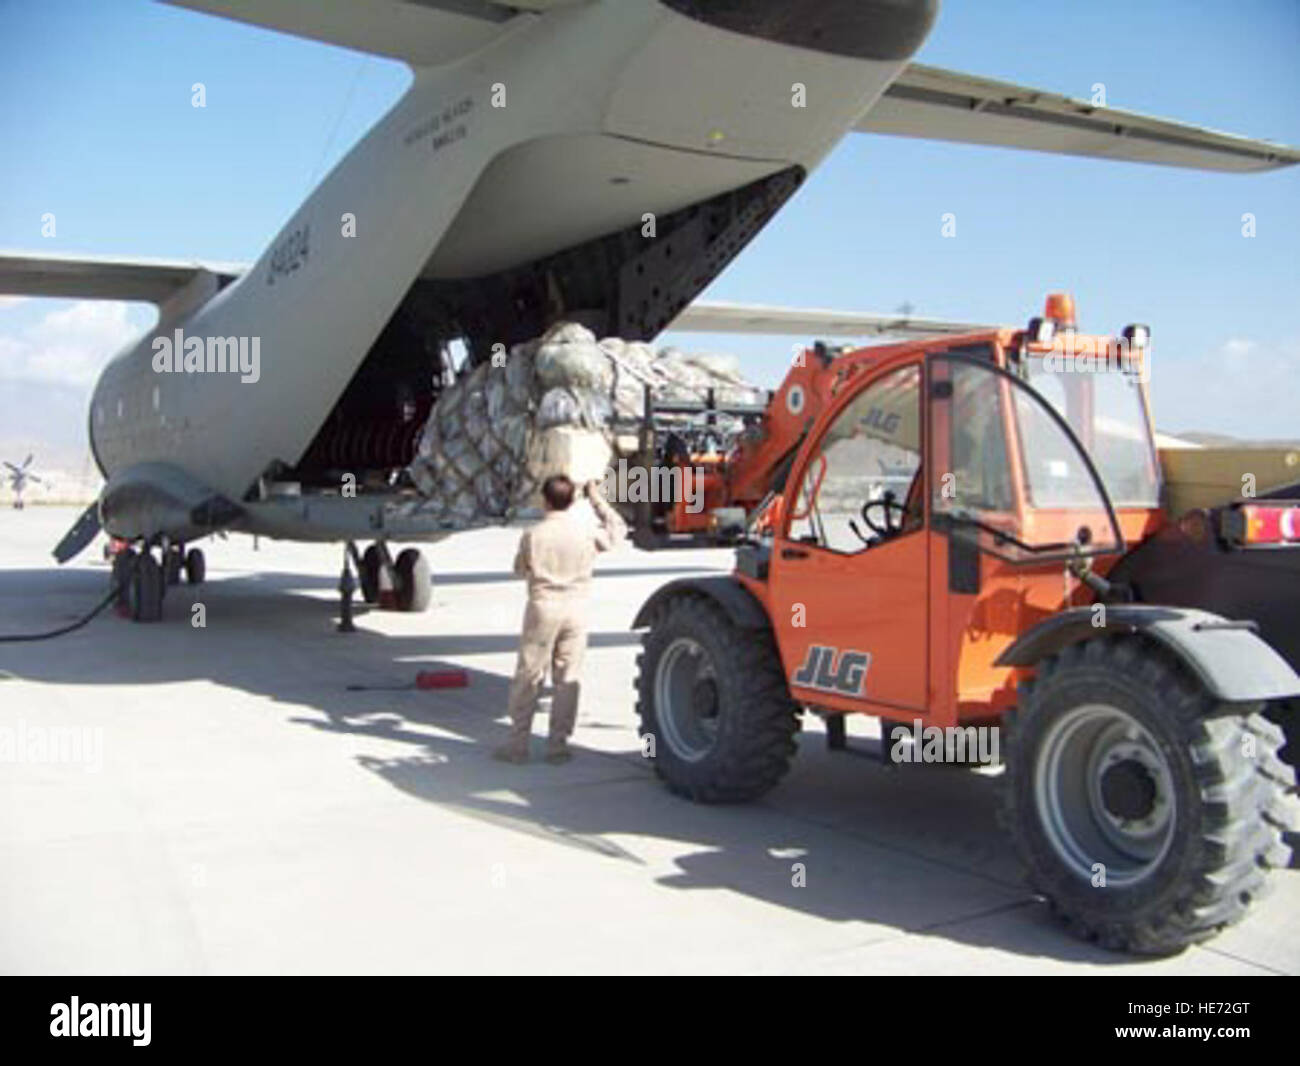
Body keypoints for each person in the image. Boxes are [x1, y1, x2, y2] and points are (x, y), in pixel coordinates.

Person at [495, 473, 626, 764]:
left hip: (544, 606)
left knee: (529, 675)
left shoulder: (534, 534)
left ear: (544, 500)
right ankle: (557, 745)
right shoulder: (586, 531)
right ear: (572, 500)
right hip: (577, 607)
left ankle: (517, 745)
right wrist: (597, 499)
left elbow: (519, 569)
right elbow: (618, 530)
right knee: (568, 678)